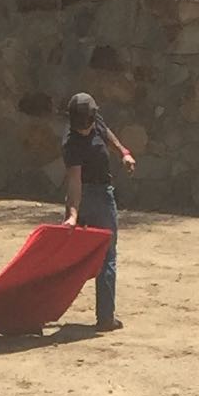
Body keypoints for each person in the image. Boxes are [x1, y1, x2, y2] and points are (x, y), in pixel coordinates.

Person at [62, 92, 135, 332]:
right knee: (107, 257)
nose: (85, 126)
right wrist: (73, 214)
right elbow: (74, 182)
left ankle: (104, 316)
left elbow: (107, 134)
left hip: (99, 194)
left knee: (79, 258)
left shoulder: (95, 122)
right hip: (91, 199)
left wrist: (123, 153)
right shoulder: (71, 143)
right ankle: (105, 318)